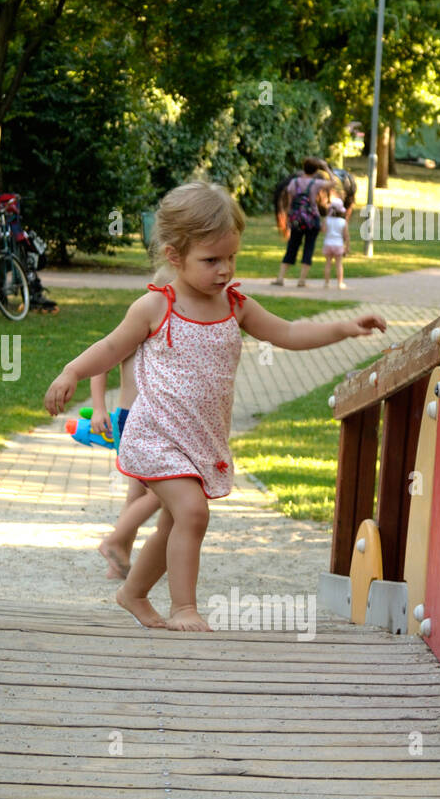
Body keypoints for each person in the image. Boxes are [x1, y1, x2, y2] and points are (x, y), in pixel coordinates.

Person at [44, 182, 387, 631]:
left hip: (198, 440)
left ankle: (132, 592)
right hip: (154, 435)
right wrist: (71, 372)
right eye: (211, 260)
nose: (224, 270)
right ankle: (184, 607)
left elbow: (287, 333)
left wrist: (344, 327)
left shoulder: (236, 307)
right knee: (192, 512)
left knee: (173, 521)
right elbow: (110, 348)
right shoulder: (155, 307)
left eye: (231, 258)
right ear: (174, 255)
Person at [89, 358, 161, 579]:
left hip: (153, 421)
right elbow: (99, 366)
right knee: (163, 491)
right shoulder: (140, 326)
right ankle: (114, 542)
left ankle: (119, 563)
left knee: (137, 493)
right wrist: (99, 408)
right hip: (134, 420)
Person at [273, 158, 334, 287]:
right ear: (316, 170)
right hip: (312, 220)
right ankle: (301, 280)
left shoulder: (294, 182)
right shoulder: (316, 183)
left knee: (292, 247)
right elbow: (333, 183)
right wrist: (326, 167)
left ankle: (280, 277)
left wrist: (290, 219)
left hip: (297, 219)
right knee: (309, 247)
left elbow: (289, 204)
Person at [322, 196, 349, 289]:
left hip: (328, 243)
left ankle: (326, 283)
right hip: (338, 244)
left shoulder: (327, 220)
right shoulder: (343, 222)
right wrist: (347, 246)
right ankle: (340, 283)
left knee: (328, 264)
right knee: (339, 264)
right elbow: (346, 236)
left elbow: (323, 230)